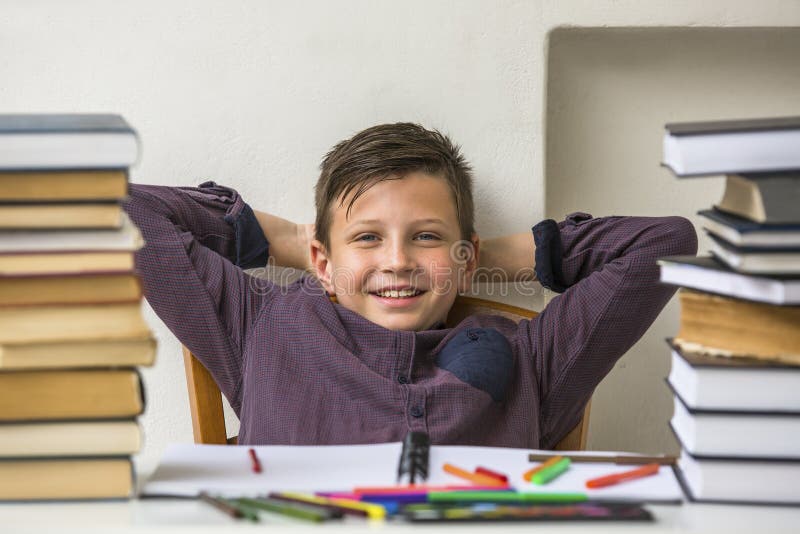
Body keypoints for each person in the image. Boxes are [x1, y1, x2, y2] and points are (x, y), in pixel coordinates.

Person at [123, 122, 697, 448]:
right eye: (369, 238)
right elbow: (123, 209)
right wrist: (300, 243)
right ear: (321, 260)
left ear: (467, 255)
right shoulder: (263, 327)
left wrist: (472, 258)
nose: (397, 261)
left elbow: (665, 243)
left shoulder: (531, 359)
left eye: (423, 236)